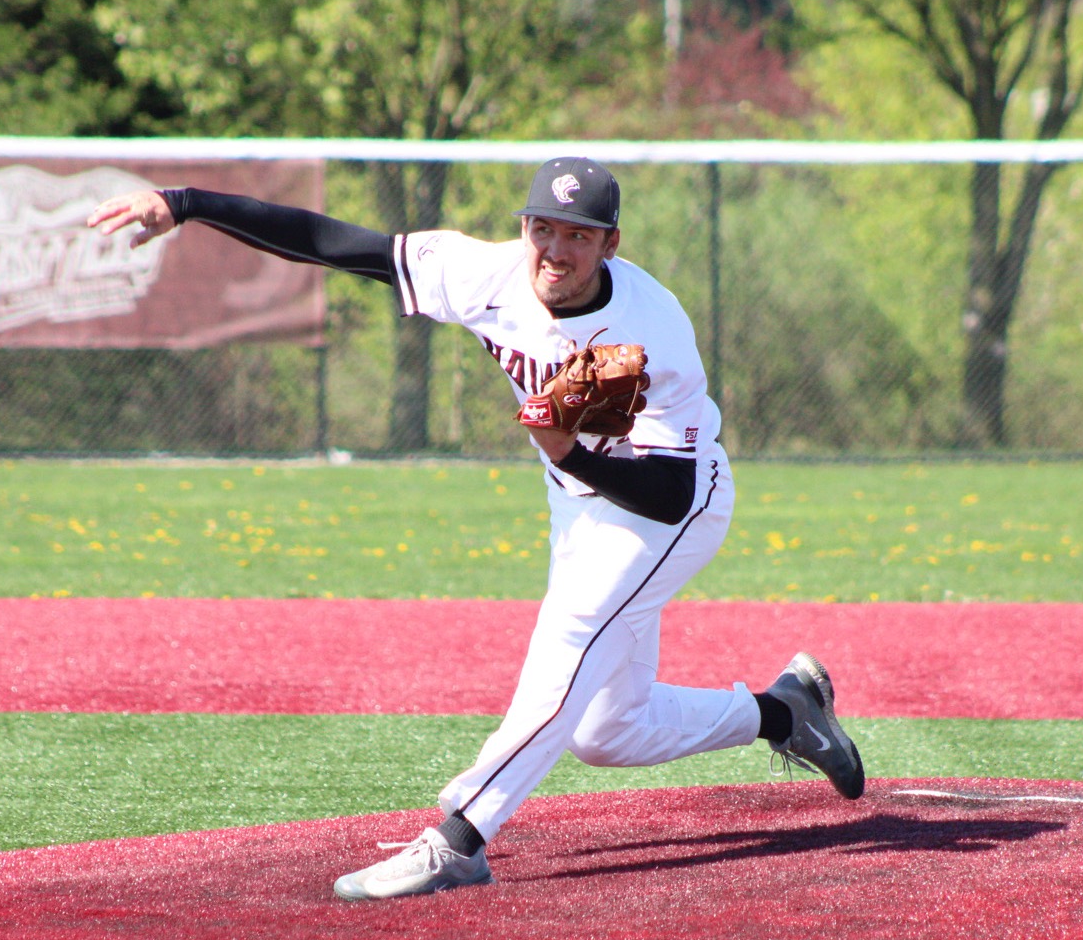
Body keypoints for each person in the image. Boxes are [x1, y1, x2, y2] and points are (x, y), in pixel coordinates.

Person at [88, 157, 864, 901]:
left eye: (579, 235)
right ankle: (784, 711)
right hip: (579, 500)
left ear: (610, 244)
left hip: (674, 504)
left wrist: (568, 452)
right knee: (607, 732)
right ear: (524, 225)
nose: (556, 249)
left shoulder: (653, 325)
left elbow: (668, 493)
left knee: (574, 631)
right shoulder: (484, 273)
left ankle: (460, 839)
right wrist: (187, 204)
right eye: (545, 228)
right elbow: (335, 243)